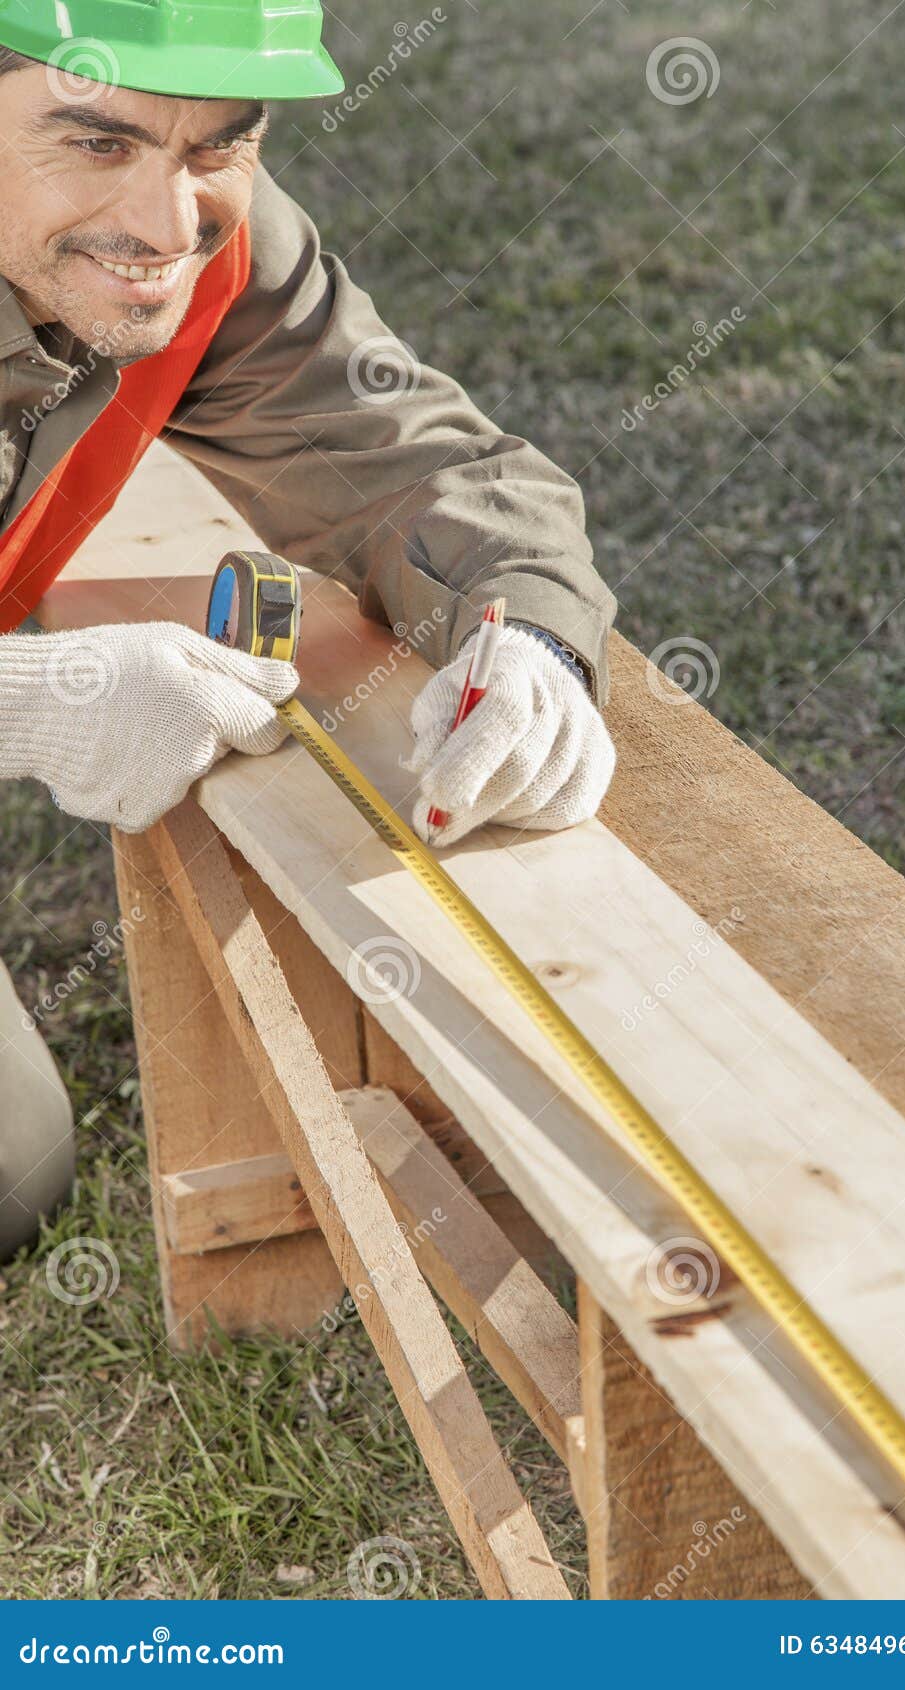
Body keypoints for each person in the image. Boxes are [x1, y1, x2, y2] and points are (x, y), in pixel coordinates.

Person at [0, 0, 618, 1259]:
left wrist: (531, 639)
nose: (167, 231)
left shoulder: (205, 255)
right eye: (100, 142)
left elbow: (413, 468)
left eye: (218, 146)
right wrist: (30, 703)